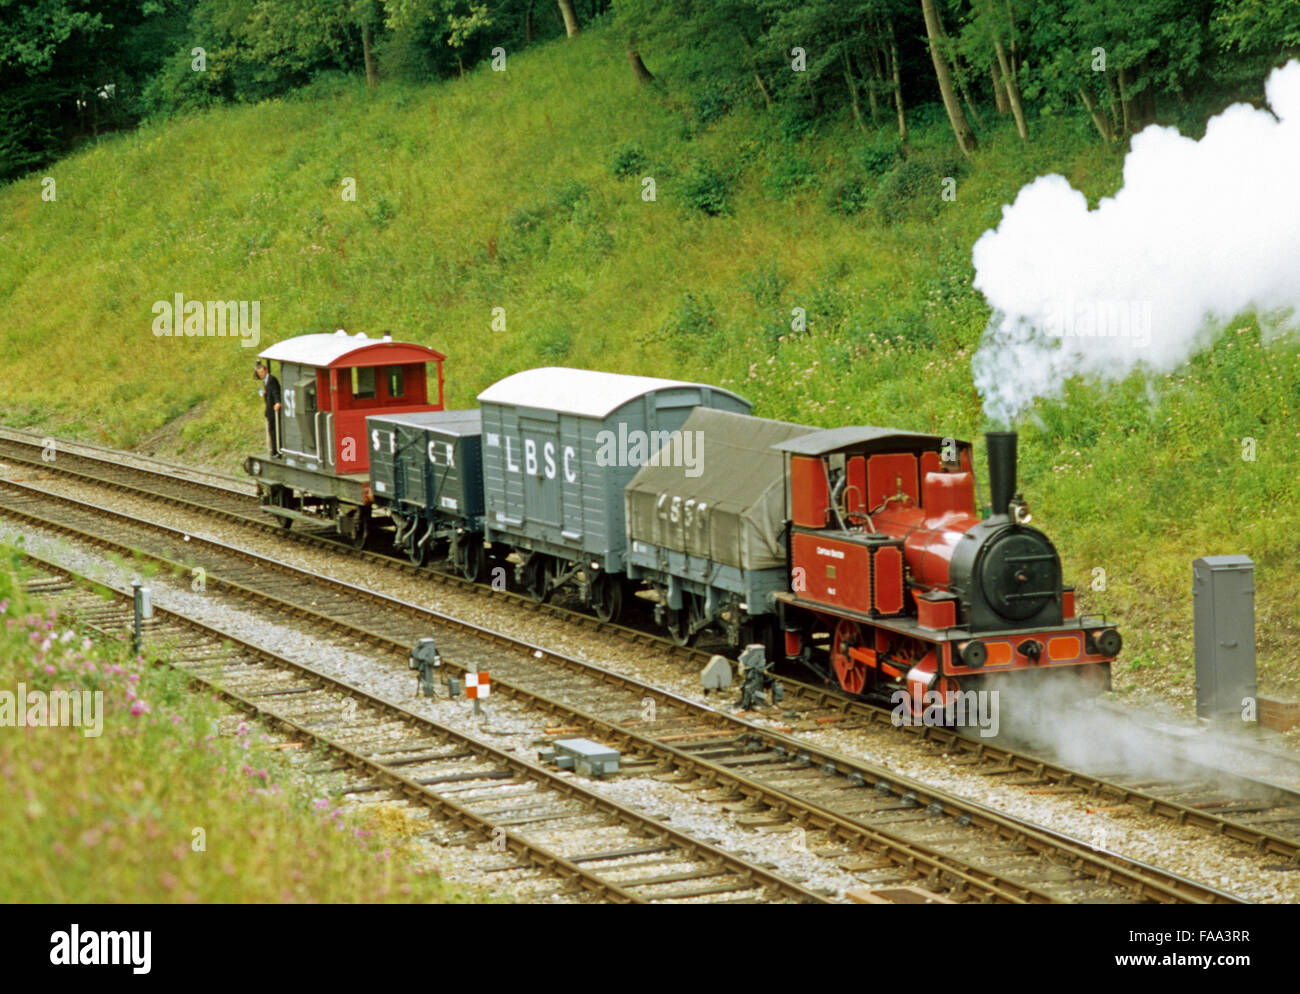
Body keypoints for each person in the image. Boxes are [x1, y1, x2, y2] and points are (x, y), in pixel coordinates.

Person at [254, 360, 282, 457]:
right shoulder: (265, 382)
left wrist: (278, 402)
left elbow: (275, 391)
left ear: (266, 371)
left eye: (262, 372)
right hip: (269, 410)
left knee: (275, 430)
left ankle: (276, 450)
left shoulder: (271, 380)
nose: (261, 374)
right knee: (272, 430)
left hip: (273, 409)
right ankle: (274, 450)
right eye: (259, 373)